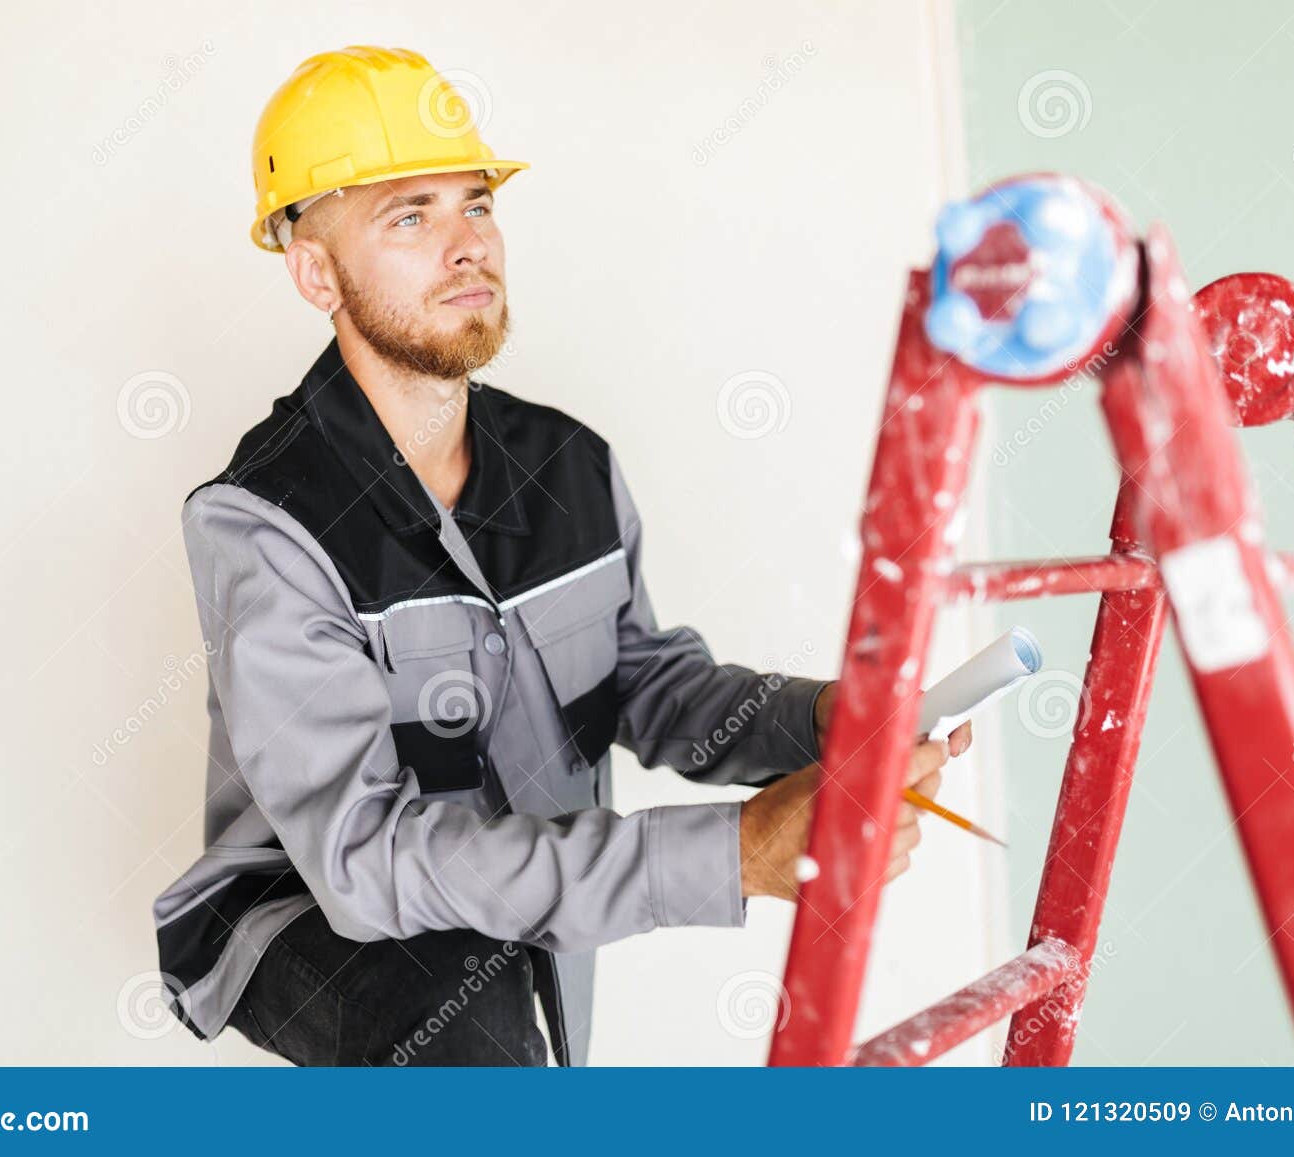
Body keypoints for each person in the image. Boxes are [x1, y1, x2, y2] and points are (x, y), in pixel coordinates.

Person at [151, 45, 971, 1067]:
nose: (467, 246)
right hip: (307, 908)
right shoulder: (265, 519)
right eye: (410, 215)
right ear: (316, 270)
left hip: (520, 884)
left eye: (478, 205)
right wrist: (729, 855)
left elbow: (642, 683)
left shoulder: (568, 465)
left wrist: (822, 720)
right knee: (471, 1036)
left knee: (514, 1016)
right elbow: (365, 858)